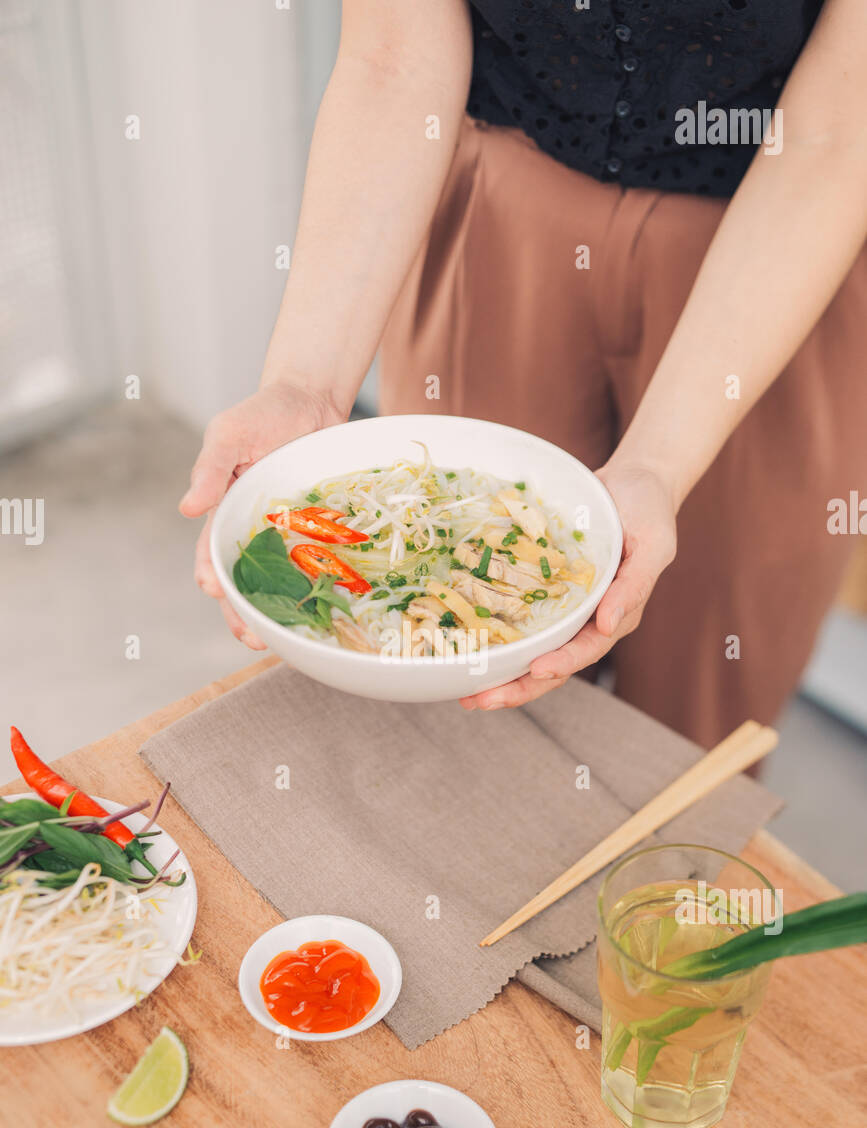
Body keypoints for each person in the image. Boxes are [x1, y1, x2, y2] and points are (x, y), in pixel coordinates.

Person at [181, 0, 867, 745]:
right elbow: (392, 60)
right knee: (450, 649)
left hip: (776, 249)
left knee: (700, 698)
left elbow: (837, 130)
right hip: (500, 218)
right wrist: (302, 387)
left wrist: (656, 467)